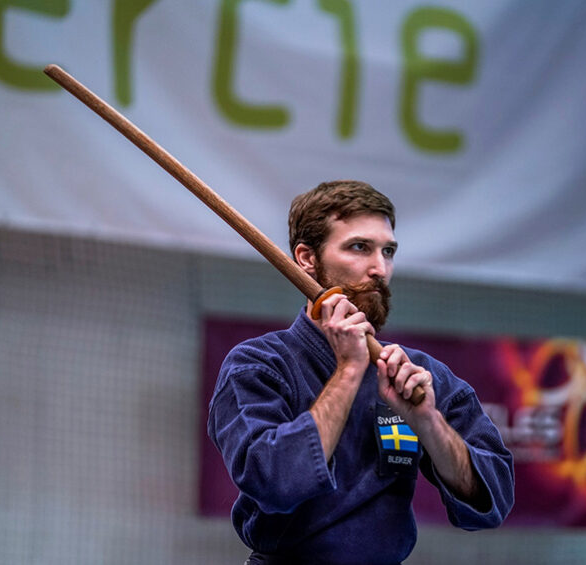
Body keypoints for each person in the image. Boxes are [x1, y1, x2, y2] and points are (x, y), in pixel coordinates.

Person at [207, 180, 514, 565]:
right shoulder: (259, 364)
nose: (379, 269)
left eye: (388, 252)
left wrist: (428, 423)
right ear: (306, 258)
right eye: (359, 248)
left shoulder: (416, 373)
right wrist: (350, 370)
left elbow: (494, 498)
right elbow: (275, 481)